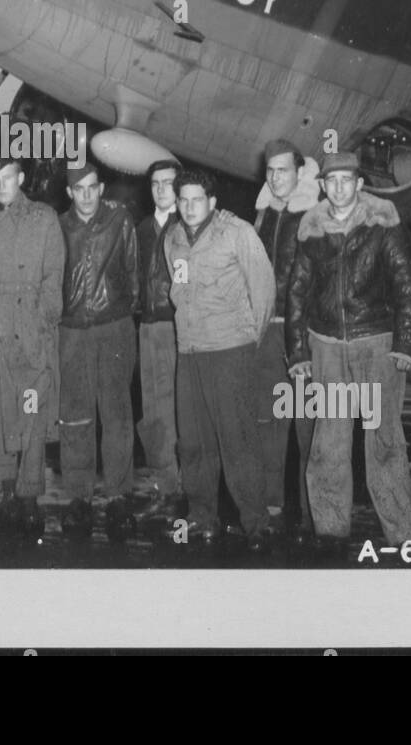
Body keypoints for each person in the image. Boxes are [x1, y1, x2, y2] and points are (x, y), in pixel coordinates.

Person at [286, 151, 411, 554]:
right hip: (326, 348)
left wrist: (407, 345)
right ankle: (330, 534)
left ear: (360, 184)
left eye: (347, 180)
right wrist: (298, 353)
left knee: (385, 441)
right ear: (323, 186)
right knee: (328, 443)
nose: (340, 188)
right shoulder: (310, 231)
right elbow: (296, 295)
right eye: (332, 182)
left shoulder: (383, 226)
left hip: (376, 345)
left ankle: (403, 538)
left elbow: (408, 286)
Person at [164, 168, 277, 547]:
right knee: (194, 442)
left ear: (212, 202)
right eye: (183, 200)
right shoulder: (174, 238)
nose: (190, 207)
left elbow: (264, 289)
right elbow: (178, 290)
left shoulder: (237, 233)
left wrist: (246, 338)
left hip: (230, 350)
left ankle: (256, 522)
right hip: (190, 351)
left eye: (197, 200)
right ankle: (202, 518)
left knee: (238, 441)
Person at [0, 157, 65, 538]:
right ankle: (7, 494)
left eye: (8, 177)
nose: (1, 185)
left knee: (30, 411)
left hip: (29, 328)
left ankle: (28, 498)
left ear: (21, 178)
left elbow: (54, 275)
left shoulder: (43, 217)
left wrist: (44, 320)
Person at [57, 163, 139, 541]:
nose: (86, 195)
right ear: (70, 192)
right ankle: (79, 498)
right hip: (72, 331)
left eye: (92, 188)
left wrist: (120, 317)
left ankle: (120, 495)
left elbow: (133, 276)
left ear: (101, 188)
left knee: (117, 413)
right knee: (75, 416)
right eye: (79, 189)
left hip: (113, 327)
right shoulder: (59, 227)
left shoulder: (120, 221)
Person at [253, 141, 321, 542]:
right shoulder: (263, 214)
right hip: (266, 329)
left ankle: (313, 514)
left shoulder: (314, 214)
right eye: (271, 171)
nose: (276, 178)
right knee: (268, 420)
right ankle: (271, 506)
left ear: (299, 172)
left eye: (283, 170)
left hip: (302, 332)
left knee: (307, 423)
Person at [136, 158, 183, 516]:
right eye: (155, 183)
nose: (161, 189)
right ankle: (163, 484)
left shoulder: (188, 225)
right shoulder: (141, 229)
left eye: (167, 182)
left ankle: (184, 486)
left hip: (177, 326)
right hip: (147, 326)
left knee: (177, 407)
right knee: (152, 409)